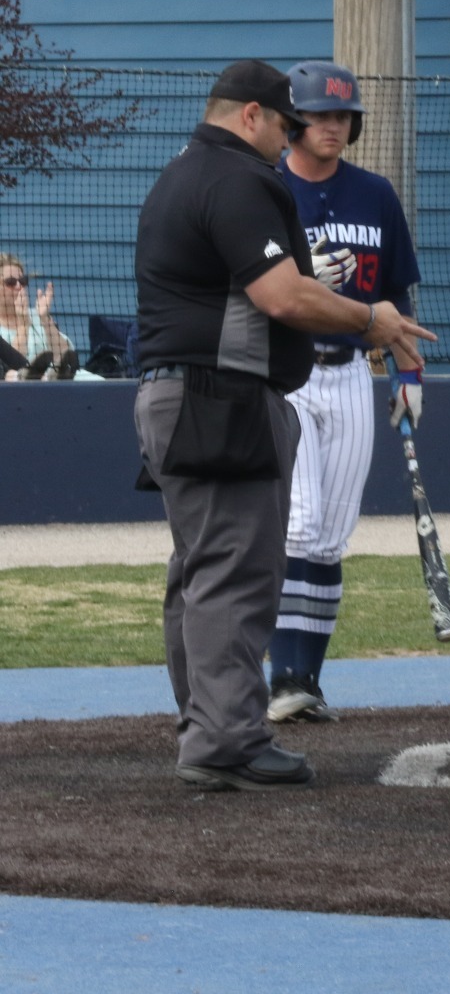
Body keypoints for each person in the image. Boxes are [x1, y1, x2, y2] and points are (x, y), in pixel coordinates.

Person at [133, 60, 433, 791]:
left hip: (183, 396)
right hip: (219, 400)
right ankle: (226, 739)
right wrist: (372, 317)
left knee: (202, 573)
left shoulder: (182, 171)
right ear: (250, 117)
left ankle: (208, 726)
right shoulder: (235, 178)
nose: (292, 138)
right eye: (285, 124)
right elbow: (281, 295)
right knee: (237, 574)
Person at [264, 61, 425, 724]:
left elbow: (400, 295)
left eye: (342, 116)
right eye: (320, 115)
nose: (332, 125)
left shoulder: (375, 194)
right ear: (294, 122)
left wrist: (410, 376)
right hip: (290, 373)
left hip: (355, 371)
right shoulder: (268, 188)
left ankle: (307, 678)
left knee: (330, 537)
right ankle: (279, 679)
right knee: (296, 523)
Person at [0, 253, 78, 379]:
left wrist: (45, 320)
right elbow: (12, 365)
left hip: (56, 383)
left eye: (22, 281)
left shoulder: (36, 315)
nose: (19, 286)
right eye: (11, 282)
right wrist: (23, 326)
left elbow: (67, 357)